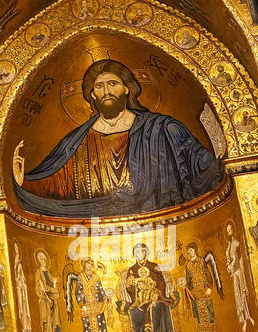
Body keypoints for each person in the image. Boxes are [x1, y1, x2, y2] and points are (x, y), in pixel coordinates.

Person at [12, 59, 223, 217]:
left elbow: (200, 166)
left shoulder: (162, 128)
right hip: (93, 228)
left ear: (127, 89)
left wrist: (220, 161)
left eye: (113, 83)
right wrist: (25, 182)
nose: (106, 91)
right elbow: (58, 182)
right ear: (92, 95)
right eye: (99, 86)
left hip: (163, 224)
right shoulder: (78, 141)